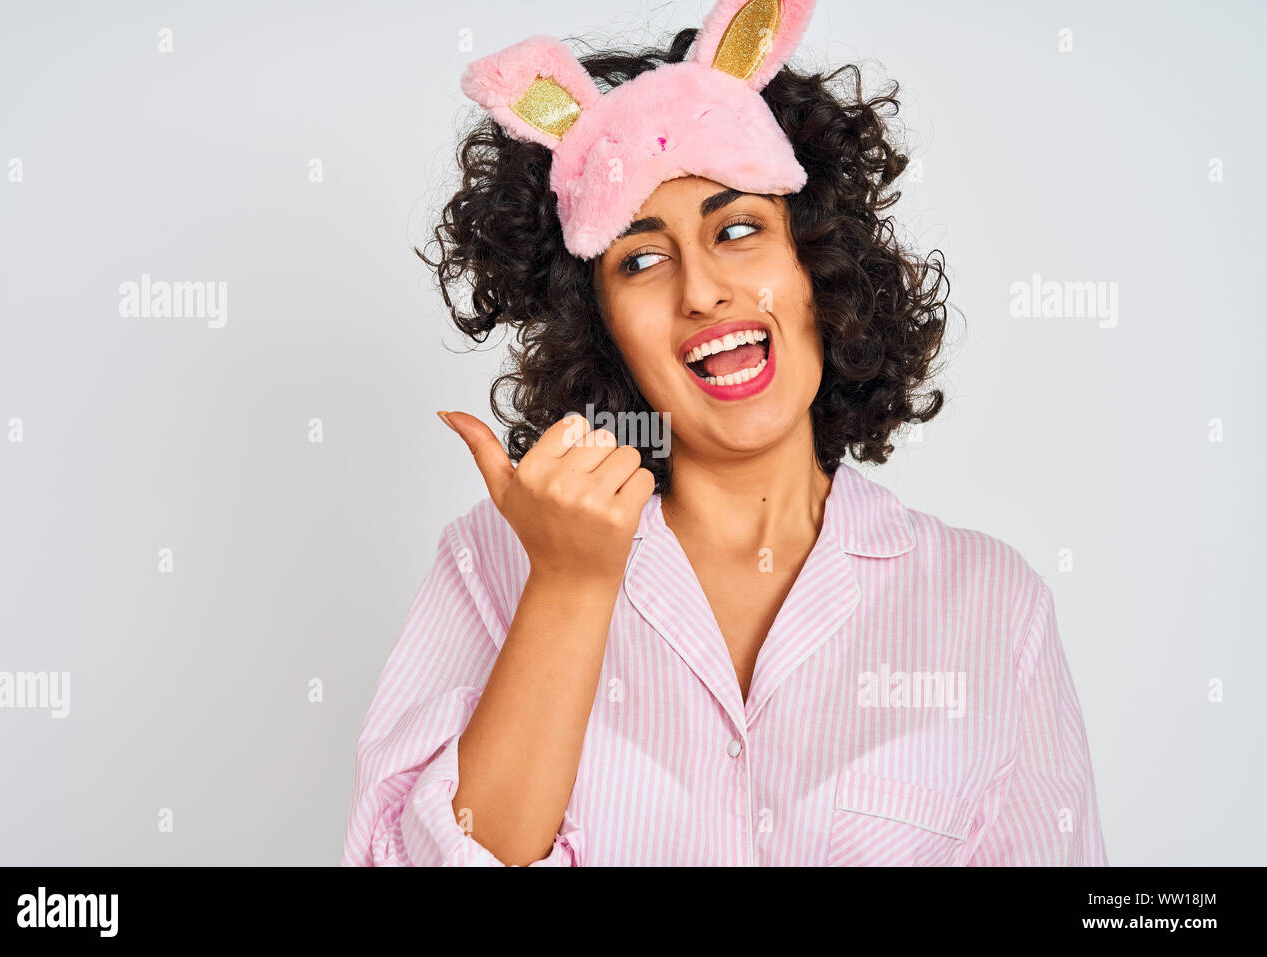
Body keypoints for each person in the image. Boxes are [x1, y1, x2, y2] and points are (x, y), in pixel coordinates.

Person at [341, 0, 1107, 866]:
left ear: (818, 266)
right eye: (641, 258)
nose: (701, 291)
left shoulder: (993, 607)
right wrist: (565, 589)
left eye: (738, 230)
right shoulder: (493, 564)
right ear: (600, 330)